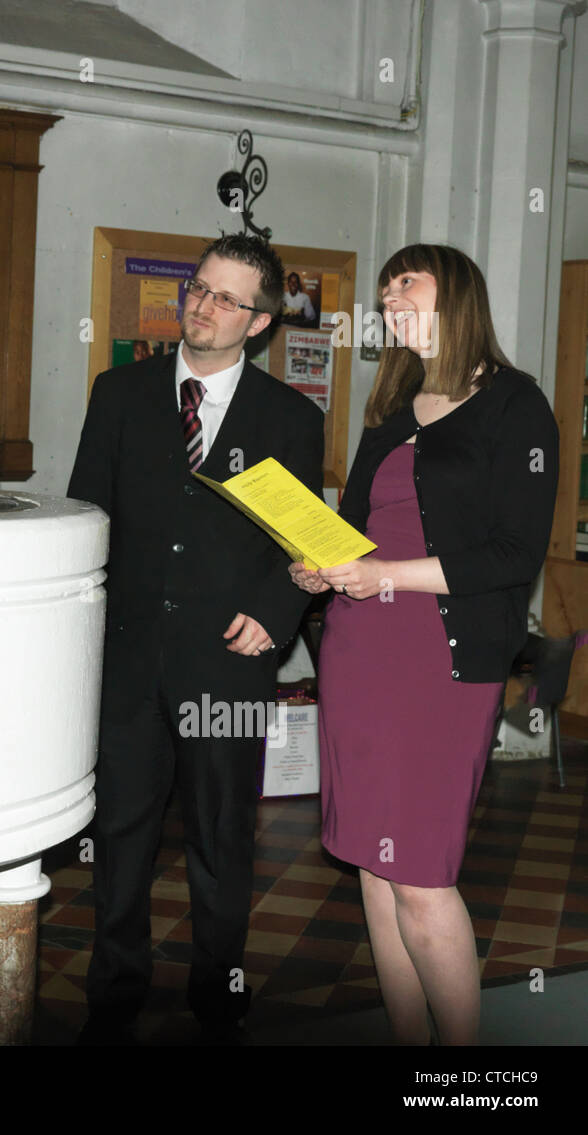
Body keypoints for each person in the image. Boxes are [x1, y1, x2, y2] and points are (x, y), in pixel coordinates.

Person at [288, 243, 557, 1045]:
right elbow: (362, 528)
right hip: (359, 646)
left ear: (458, 294)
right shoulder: (393, 407)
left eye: (408, 281)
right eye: (385, 289)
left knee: (420, 876)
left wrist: (388, 575)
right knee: (374, 863)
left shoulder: (516, 405)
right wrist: (324, 566)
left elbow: (514, 554)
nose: (391, 296)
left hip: (441, 655)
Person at [69, 232, 325, 1043]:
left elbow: (302, 545)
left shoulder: (289, 417)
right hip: (131, 662)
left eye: (226, 298)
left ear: (259, 322)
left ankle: (220, 992)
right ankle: (115, 989)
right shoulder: (120, 393)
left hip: (229, 665)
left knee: (222, 836)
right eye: (199, 288)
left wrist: (276, 615)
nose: (203, 306)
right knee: (121, 833)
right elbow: (86, 522)